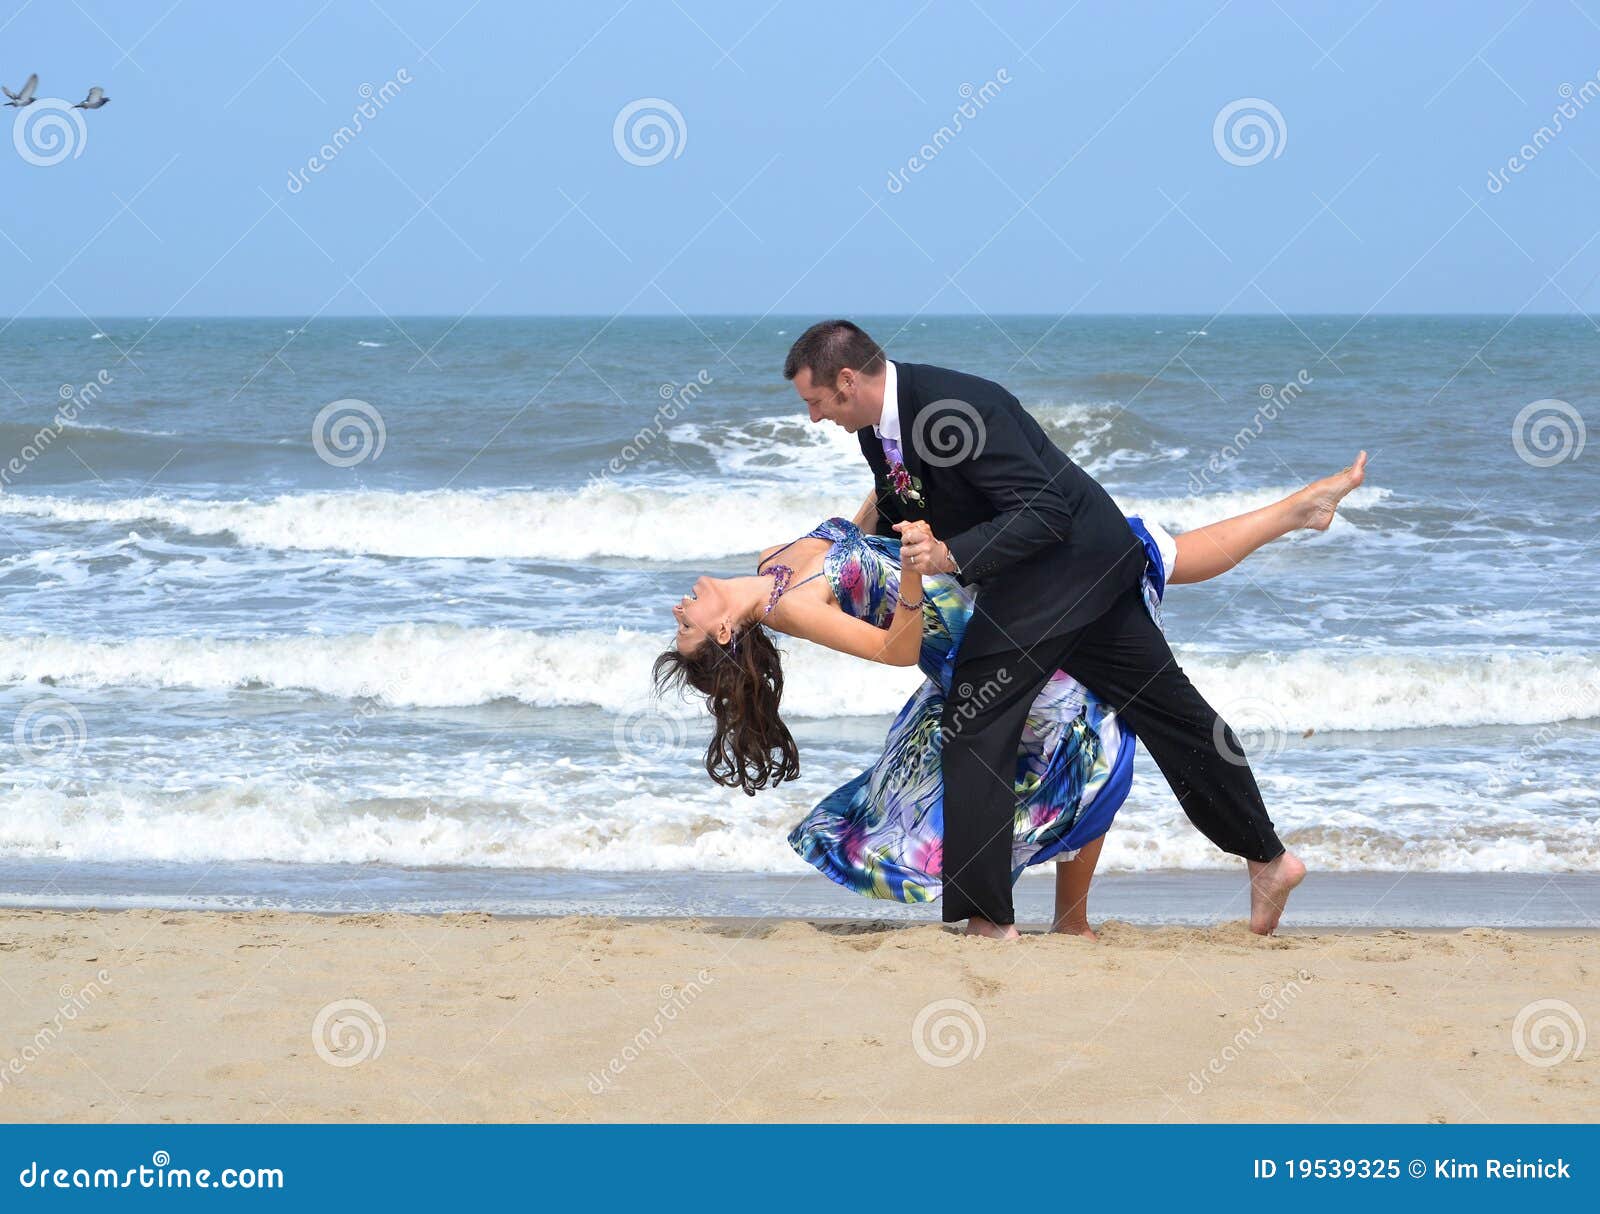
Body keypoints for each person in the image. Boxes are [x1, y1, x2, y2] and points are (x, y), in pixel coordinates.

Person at [657, 424, 1367, 936]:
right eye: (687, 627)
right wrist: (910, 570)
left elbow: (859, 528)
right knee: (1080, 743)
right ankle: (1073, 923)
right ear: (725, 634)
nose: (679, 609)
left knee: (1145, 553)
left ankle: (1297, 511)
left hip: (985, 581)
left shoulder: (773, 558)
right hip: (989, 633)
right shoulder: (790, 607)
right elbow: (896, 650)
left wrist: (896, 468)